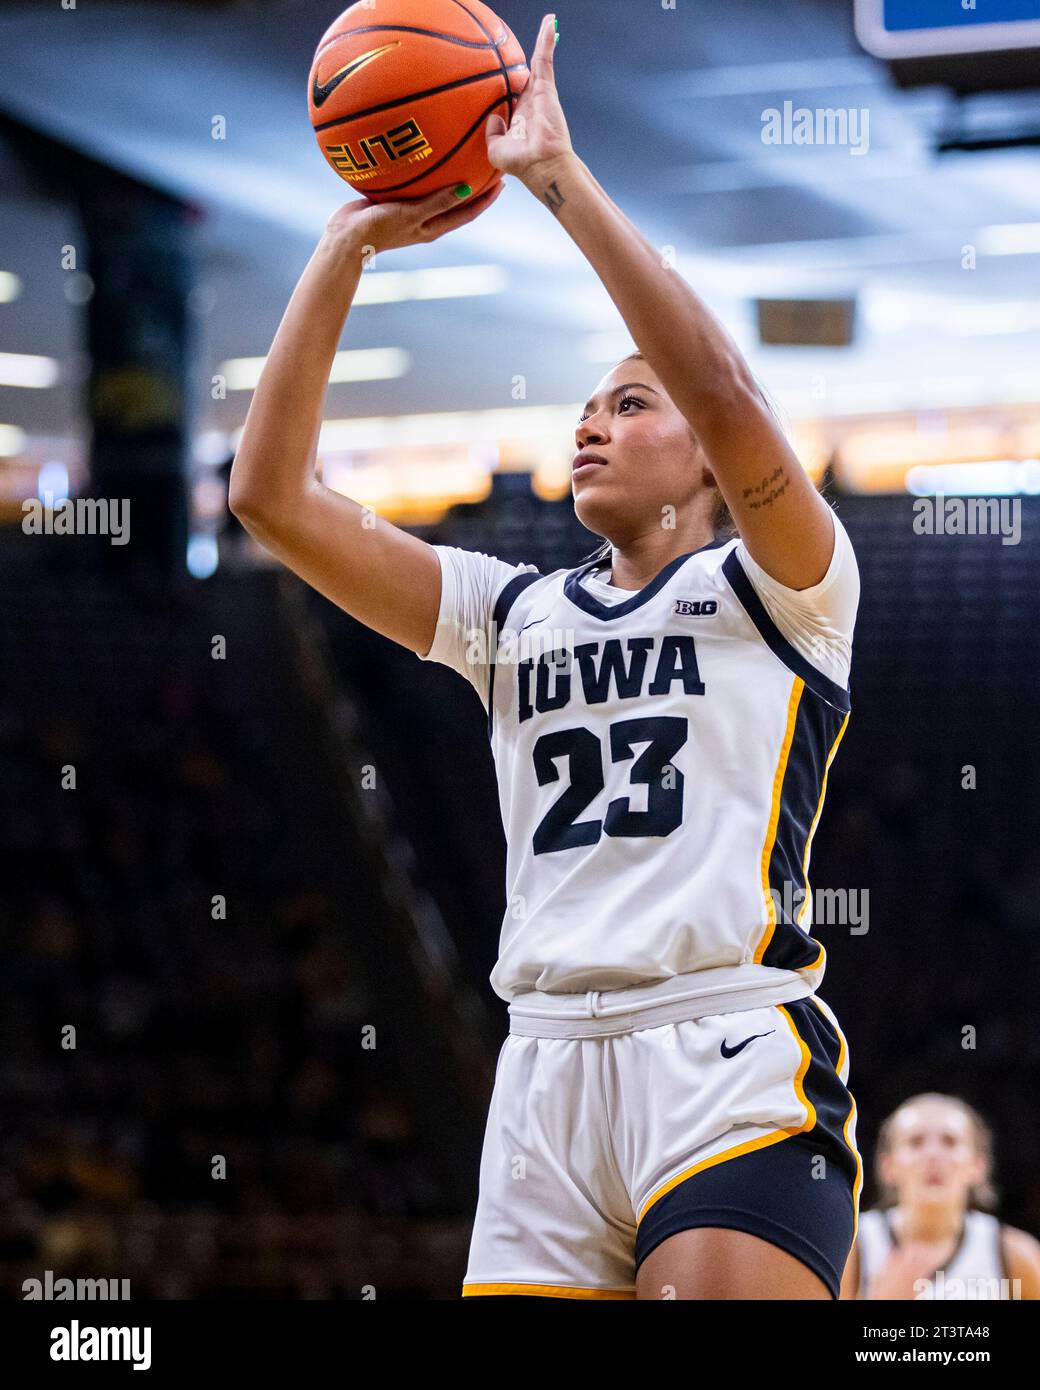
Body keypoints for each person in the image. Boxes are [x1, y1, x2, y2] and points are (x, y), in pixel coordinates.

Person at [230, 12, 862, 1299]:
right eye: (587, 403)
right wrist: (348, 236)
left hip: (725, 1049)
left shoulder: (784, 589)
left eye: (631, 402)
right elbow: (270, 497)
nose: (591, 421)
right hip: (543, 1075)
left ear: (703, 462)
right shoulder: (507, 612)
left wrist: (553, 178)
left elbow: (730, 391)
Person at [841, 1093, 1040, 1300]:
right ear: (888, 1166)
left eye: (950, 1142)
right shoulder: (852, 1247)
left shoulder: (1015, 1254)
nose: (933, 1155)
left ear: (978, 1165)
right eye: (916, 1142)